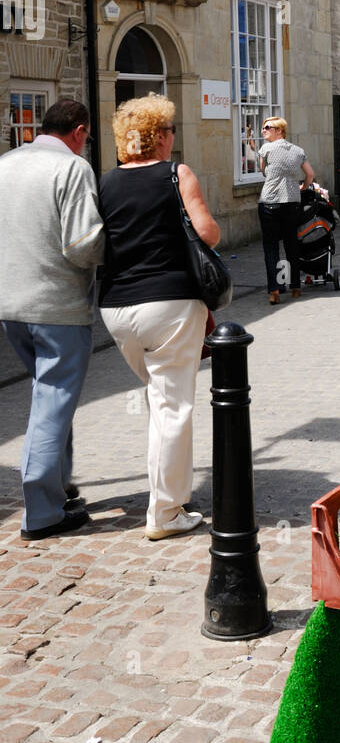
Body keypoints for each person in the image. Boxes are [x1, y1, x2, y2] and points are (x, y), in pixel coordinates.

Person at [99, 95, 221, 540]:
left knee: (159, 401)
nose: (174, 138)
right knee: (173, 407)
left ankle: (166, 493)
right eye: (170, 131)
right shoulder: (177, 173)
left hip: (116, 308)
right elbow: (208, 232)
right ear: (160, 136)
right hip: (169, 303)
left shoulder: (105, 183)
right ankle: (166, 513)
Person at [0, 100, 104, 540]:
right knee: (52, 400)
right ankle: (42, 512)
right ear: (79, 132)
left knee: (50, 399)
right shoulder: (73, 169)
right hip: (57, 304)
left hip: (10, 302)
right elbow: (83, 244)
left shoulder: (5, 164)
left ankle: (59, 486)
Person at [258, 117, 314, 304]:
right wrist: (303, 187)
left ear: (279, 130)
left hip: (270, 202)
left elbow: (263, 171)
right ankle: (296, 287)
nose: (263, 130)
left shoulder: (266, 149)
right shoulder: (298, 151)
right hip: (291, 202)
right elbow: (310, 174)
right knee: (291, 243)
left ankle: (274, 291)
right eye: (263, 127)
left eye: (267, 127)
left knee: (271, 246)